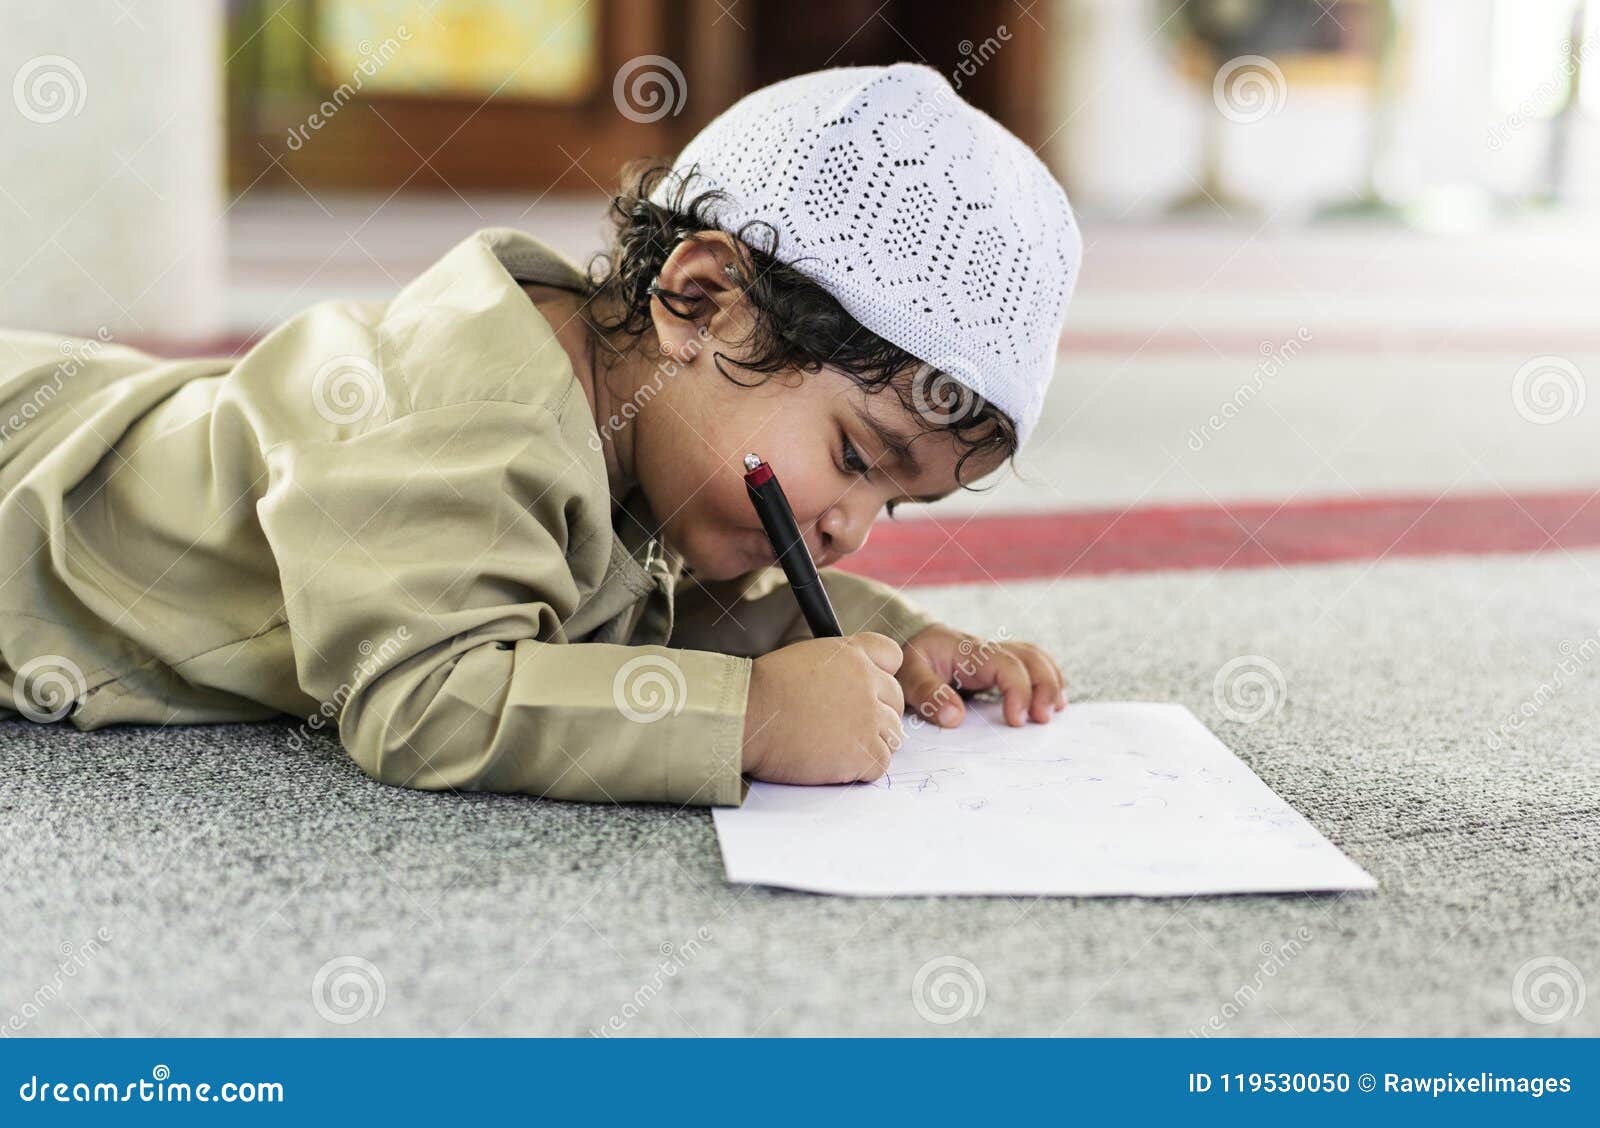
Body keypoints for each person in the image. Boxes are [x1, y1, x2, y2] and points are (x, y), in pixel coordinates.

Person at [0, 63, 1081, 807]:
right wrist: (745, 718)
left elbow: (628, 620)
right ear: (699, 301)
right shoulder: (473, 422)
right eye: (854, 457)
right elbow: (424, 698)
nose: (848, 530)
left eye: (896, 504)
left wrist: (882, 641)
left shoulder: (637, 417)